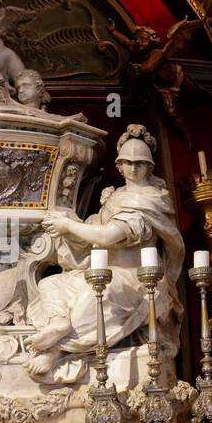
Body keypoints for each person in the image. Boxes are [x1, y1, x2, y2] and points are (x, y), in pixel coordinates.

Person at [24, 124, 186, 380]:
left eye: (140, 163)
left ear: (149, 167)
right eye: (128, 162)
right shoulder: (117, 197)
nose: (133, 169)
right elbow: (94, 233)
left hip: (138, 281)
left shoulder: (150, 201)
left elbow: (107, 235)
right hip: (105, 271)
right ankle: (59, 323)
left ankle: (56, 349)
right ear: (119, 166)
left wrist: (68, 225)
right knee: (50, 284)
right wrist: (71, 231)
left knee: (94, 298)